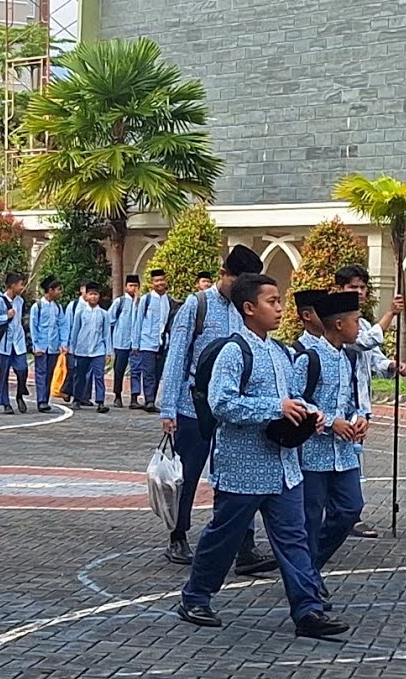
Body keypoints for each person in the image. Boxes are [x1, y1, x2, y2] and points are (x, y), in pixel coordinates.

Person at [176, 273, 348, 639]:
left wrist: (309, 414)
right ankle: (195, 596)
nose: (280, 308)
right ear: (249, 308)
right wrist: (276, 408)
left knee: (294, 538)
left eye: (280, 300)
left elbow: (293, 397)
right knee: (223, 536)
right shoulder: (233, 351)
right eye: (272, 301)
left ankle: (308, 611)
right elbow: (222, 403)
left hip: (284, 469)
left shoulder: (281, 352)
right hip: (242, 468)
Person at [159, 244, 276, 572]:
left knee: (240, 475)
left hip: (234, 408)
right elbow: (177, 358)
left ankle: (245, 545)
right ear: (224, 273)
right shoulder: (196, 306)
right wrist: (168, 411)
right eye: (238, 281)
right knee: (189, 474)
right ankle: (178, 535)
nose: (242, 290)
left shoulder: (246, 310)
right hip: (193, 405)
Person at [292, 290, 366, 606]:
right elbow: (295, 399)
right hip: (312, 453)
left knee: (350, 508)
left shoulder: (348, 357)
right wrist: (330, 421)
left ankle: (308, 567)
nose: (359, 327)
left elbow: (350, 400)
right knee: (309, 519)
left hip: (345, 452)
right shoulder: (309, 358)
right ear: (338, 323)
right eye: (355, 321)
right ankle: (307, 585)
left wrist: (357, 419)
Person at [333, 264, 404, 539]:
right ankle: (342, 511)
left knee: (354, 458)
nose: (360, 292)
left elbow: (372, 356)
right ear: (340, 289)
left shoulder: (361, 322)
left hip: (361, 404)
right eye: (353, 287)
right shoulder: (336, 321)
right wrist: (390, 314)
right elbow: (363, 342)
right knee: (337, 460)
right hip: (341, 405)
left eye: (363, 287)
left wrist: (391, 365)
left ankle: (350, 512)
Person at [0, 272, 29, 415]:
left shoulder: (20, 301)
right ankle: (5, 402)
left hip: (19, 342)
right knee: (4, 375)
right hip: (4, 344)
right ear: (13, 286)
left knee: (22, 369)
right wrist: (5, 317)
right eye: (20, 284)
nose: (22, 287)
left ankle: (20, 394)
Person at [130, 268, 174, 412]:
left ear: (166, 281)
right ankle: (149, 400)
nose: (160, 283)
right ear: (152, 283)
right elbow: (138, 321)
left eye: (162, 280)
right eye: (156, 281)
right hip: (147, 342)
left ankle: (152, 399)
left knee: (158, 372)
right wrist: (135, 344)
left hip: (163, 343)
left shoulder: (169, 301)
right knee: (148, 372)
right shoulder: (146, 300)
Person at [67, 282, 113, 413]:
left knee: (99, 376)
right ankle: (77, 399)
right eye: (91, 294)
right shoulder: (80, 313)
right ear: (86, 295)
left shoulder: (104, 314)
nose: (93, 297)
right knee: (80, 375)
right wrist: (72, 349)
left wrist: (108, 352)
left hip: (98, 350)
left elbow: (106, 334)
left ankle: (100, 401)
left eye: (96, 294)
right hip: (82, 349)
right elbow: (75, 332)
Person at [29, 277, 64, 412]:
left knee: (49, 373)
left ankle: (46, 398)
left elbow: (62, 325)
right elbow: (34, 327)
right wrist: (36, 345)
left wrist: (63, 343)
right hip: (41, 346)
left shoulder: (58, 308)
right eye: (58, 289)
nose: (60, 292)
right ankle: (41, 400)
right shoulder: (37, 307)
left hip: (53, 347)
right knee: (41, 373)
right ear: (50, 290)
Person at [110, 275, 140, 408]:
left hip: (136, 343)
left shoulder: (141, 302)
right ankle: (117, 396)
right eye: (131, 286)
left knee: (136, 370)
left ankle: (134, 397)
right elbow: (110, 320)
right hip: (121, 342)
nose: (133, 288)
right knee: (119, 370)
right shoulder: (120, 302)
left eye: (136, 286)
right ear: (126, 287)